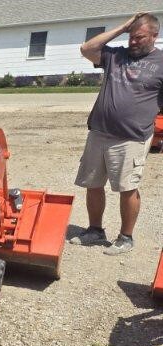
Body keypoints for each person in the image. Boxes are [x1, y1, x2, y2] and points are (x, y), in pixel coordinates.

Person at [70, 12, 163, 255]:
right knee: (93, 183)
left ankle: (125, 237)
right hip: (99, 133)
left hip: (132, 137)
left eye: (139, 37)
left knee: (127, 187)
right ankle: (95, 230)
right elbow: (87, 48)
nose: (133, 41)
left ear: (155, 35)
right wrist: (123, 27)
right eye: (131, 36)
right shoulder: (115, 55)